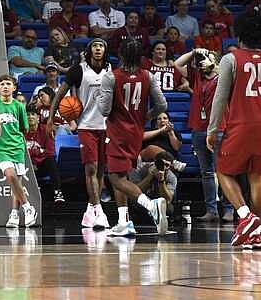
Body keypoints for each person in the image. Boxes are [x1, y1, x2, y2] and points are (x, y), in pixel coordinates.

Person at [206, 10, 261, 250]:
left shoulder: (231, 59)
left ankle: (245, 216)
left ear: (239, 32)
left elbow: (220, 98)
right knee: (257, 179)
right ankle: (256, 234)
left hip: (242, 125)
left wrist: (212, 129)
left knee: (222, 171)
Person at [95, 39, 169, 237]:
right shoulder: (148, 76)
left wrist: (98, 97)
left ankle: (150, 205)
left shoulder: (112, 77)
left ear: (120, 56)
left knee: (114, 178)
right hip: (137, 133)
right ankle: (123, 222)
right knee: (123, 176)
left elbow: (104, 109)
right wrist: (148, 116)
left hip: (118, 133)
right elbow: (162, 105)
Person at [49, 39, 111, 230]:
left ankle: (90, 210)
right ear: (89, 50)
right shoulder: (78, 70)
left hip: (106, 126)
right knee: (91, 168)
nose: (98, 49)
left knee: (101, 170)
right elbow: (60, 95)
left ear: (105, 50)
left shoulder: (110, 69)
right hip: (86, 126)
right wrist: (54, 119)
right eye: (95, 46)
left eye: (101, 46)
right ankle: (98, 209)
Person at [174, 47, 230, 223]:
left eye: (208, 58)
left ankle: (229, 209)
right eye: (203, 58)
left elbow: (231, 73)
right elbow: (177, 64)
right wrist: (193, 52)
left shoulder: (223, 77)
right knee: (206, 172)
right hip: (198, 129)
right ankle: (211, 210)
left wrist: (214, 63)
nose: (204, 61)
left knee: (224, 171)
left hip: (220, 128)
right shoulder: (196, 76)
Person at [0, 75, 36, 228]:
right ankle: (28, 207)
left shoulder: (19, 106)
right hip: (1, 148)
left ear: (14, 88)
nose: (5, 86)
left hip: (17, 147)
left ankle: (14, 214)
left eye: (8, 84)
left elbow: (24, 128)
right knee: (10, 175)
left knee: (16, 184)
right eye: (2, 84)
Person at [25, 109, 64, 205]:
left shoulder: (46, 130)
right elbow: (21, 152)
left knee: (51, 161)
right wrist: (39, 151)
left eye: (33, 114)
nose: (30, 117)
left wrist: (33, 153)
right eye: (28, 115)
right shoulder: (21, 131)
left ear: (38, 118)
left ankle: (58, 192)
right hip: (27, 165)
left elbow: (50, 152)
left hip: (42, 164)